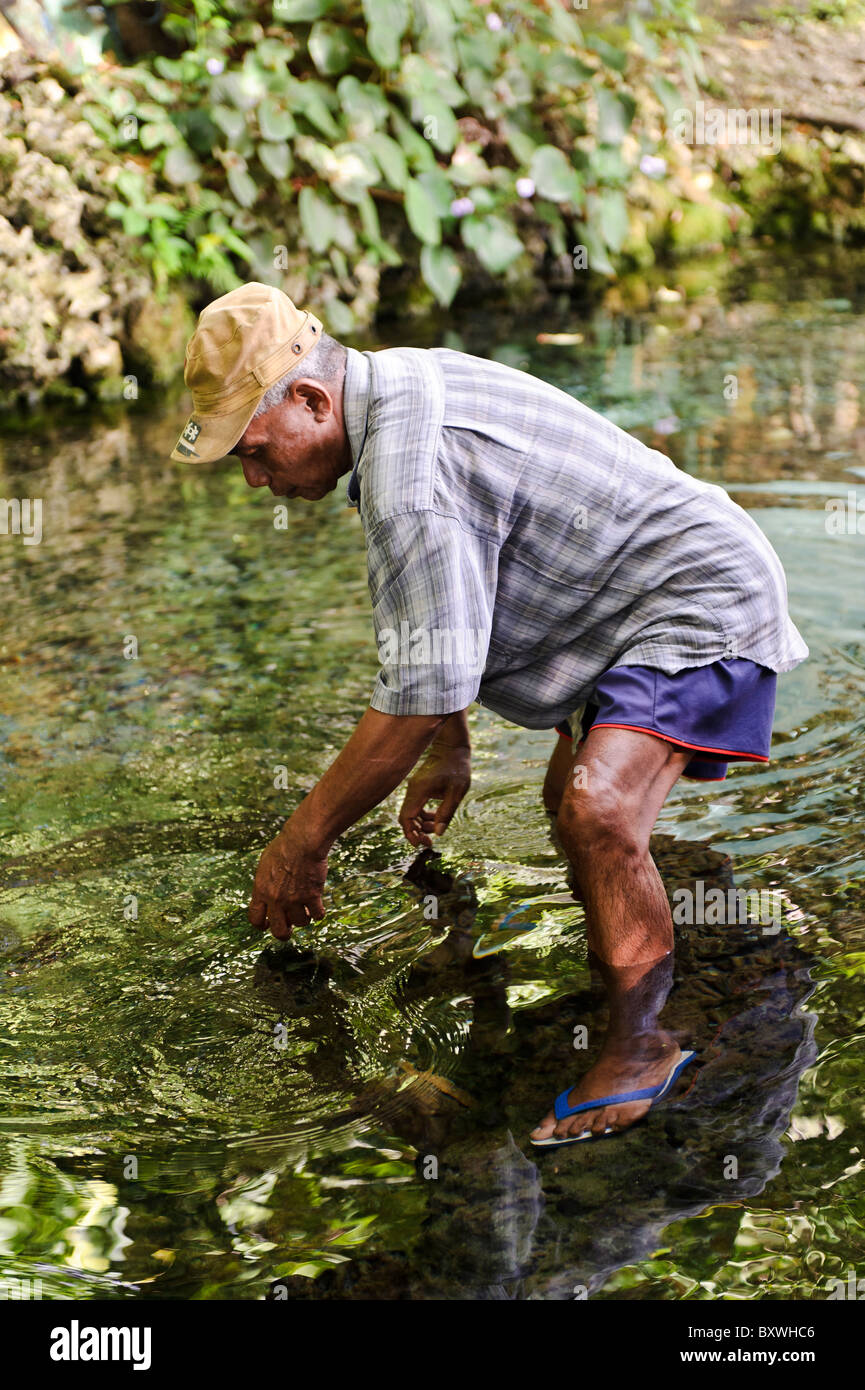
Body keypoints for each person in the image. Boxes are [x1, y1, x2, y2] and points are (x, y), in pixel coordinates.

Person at [170, 282, 808, 1144]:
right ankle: (672, 925)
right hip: (607, 613)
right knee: (568, 810)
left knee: (597, 810)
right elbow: (437, 615)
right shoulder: (389, 391)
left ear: (313, 400)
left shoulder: (406, 469)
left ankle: (642, 1046)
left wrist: (299, 842)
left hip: (694, 598)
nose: (253, 477)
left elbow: (417, 688)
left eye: (252, 451)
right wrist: (451, 748)